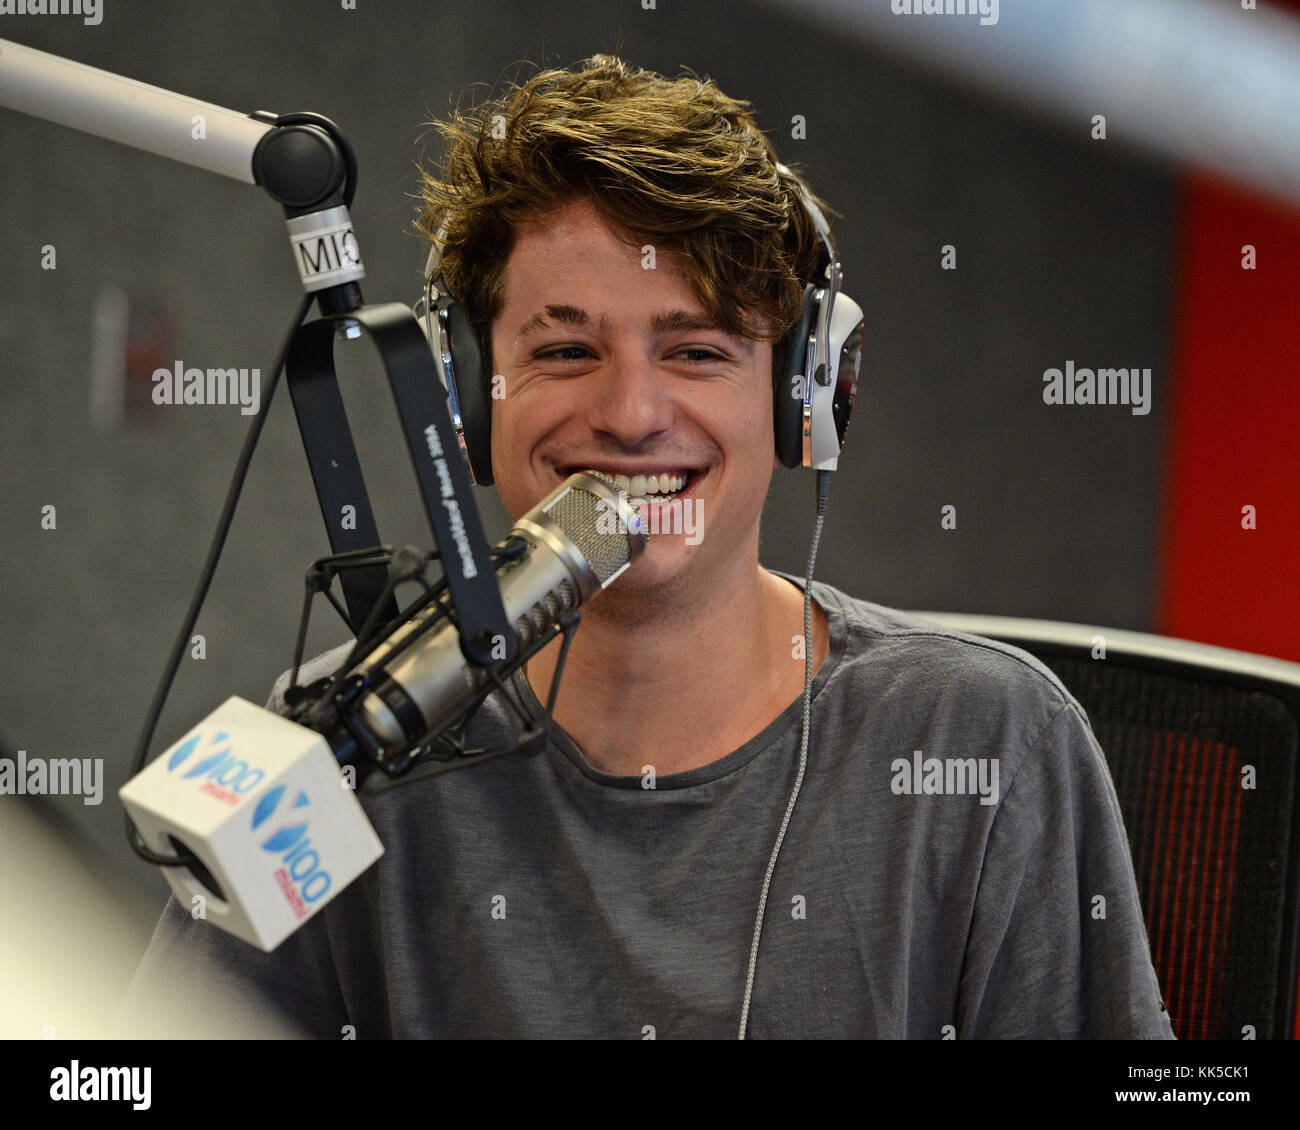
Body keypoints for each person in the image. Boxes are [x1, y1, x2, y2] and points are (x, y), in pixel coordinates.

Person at [118, 54, 1174, 1040]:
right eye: (567, 348)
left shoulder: (980, 740)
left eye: (697, 349)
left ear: (802, 398)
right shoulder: (343, 746)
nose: (629, 413)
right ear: (465, 397)